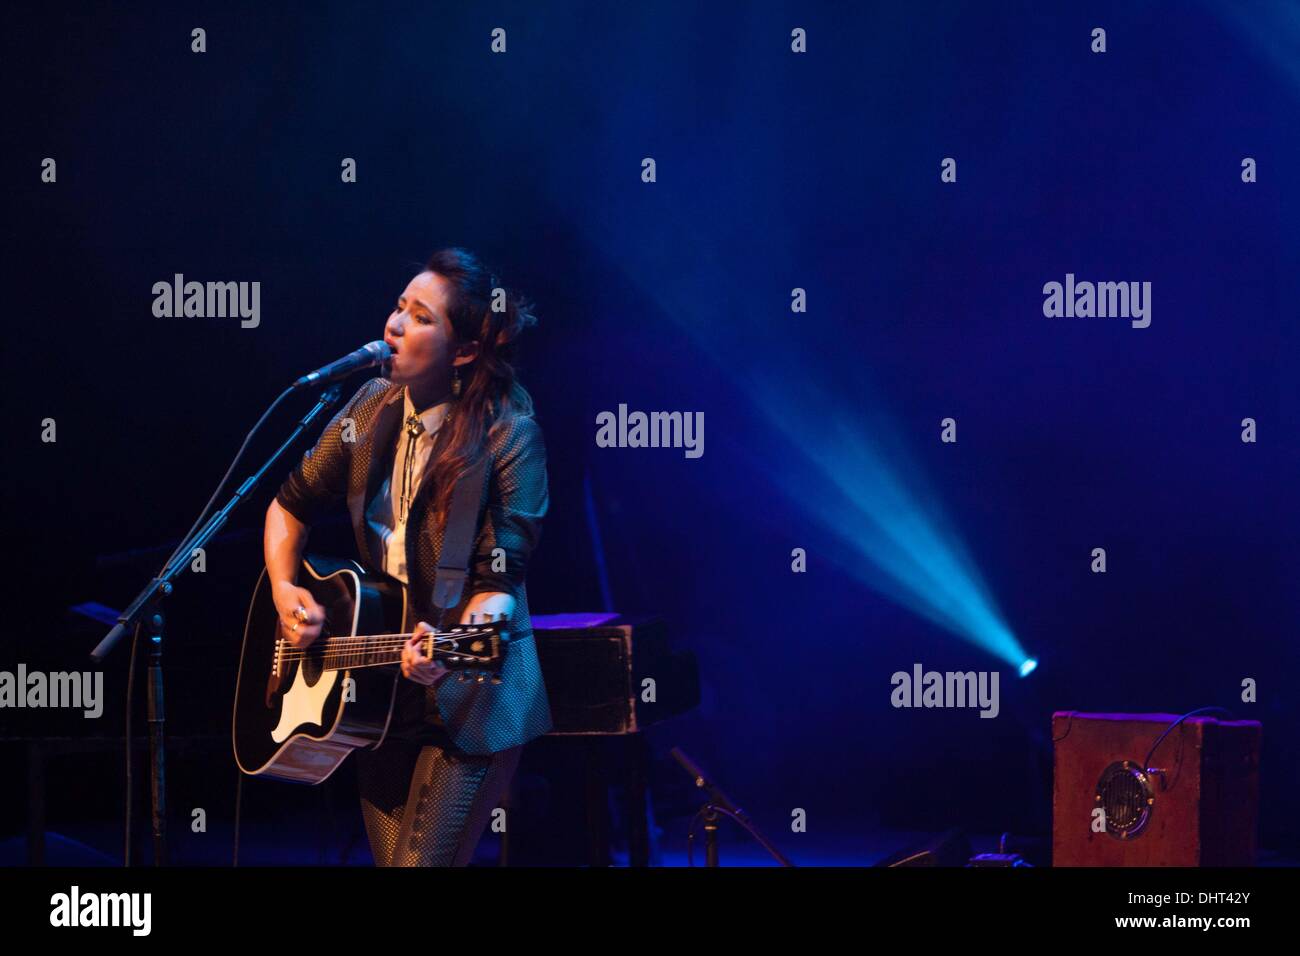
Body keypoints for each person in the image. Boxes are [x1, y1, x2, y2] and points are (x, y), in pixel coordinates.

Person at [262, 247, 552, 866]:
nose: (394, 325)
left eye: (421, 317)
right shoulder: (369, 406)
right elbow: (288, 506)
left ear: (466, 350)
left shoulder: (509, 433)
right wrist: (289, 593)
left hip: (470, 692)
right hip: (377, 695)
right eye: (399, 306)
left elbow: (501, 573)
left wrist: (455, 643)